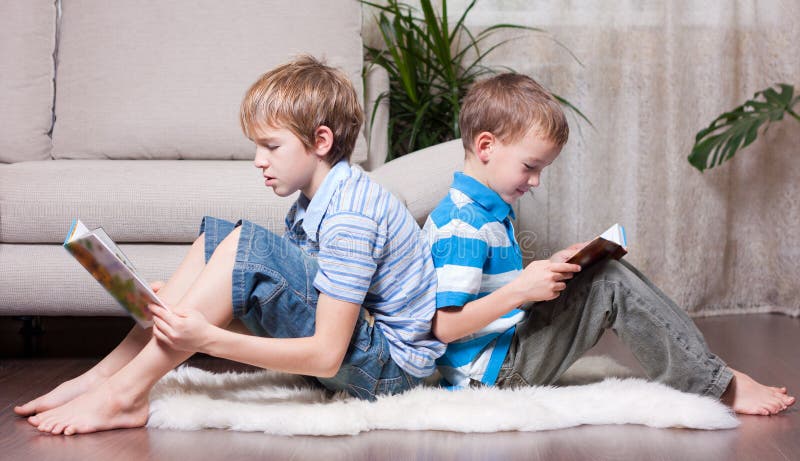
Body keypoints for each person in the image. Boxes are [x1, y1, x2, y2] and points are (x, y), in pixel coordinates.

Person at [15, 55, 445, 435]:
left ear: (321, 141)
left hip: (384, 373)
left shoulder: (351, 216)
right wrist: (185, 303)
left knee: (245, 248)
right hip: (362, 353)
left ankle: (123, 396)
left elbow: (326, 356)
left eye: (271, 146)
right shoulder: (312, 203)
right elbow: (284, 299)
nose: (258, 160)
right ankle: (103, 377)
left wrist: (208, 337)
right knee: (220, 242)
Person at [423, 72, 795, 415]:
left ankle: (703, 366)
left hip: (504, 354)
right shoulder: (460, 225)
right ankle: (715, 384)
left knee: (603, 269)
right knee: (609, 283)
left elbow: (487, 293)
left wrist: (553, 267)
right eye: (530, 166)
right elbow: (443, 326)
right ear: (486, 146)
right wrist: (521, 290)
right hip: (493, 377)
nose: (535, 181)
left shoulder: (484, 211)